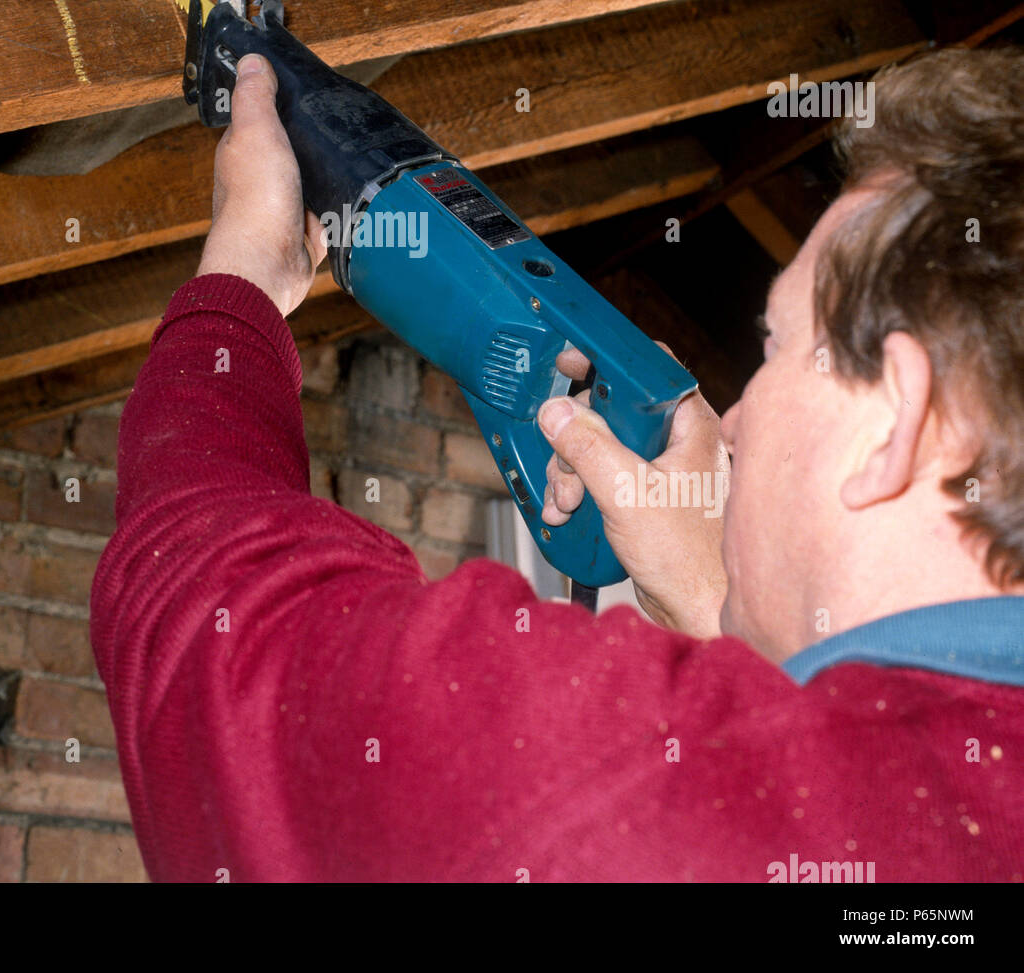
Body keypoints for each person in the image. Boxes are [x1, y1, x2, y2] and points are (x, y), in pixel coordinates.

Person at [90, 45, 1024, 882]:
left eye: (776, 346)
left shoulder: (628, 790)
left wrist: (239, 286)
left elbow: (217, 637)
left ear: (893, 422)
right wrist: (722, 615)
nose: (733, 422)